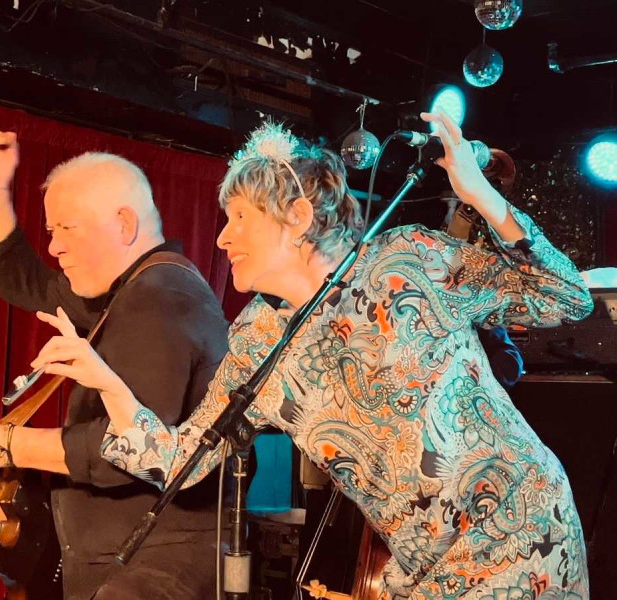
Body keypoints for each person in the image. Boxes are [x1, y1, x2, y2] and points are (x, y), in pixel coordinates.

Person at [31, 114, 593, 598]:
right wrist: (107, 382)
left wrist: (478, 195)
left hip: (519, 534)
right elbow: (181, 460)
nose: (223, 239)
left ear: (297, 217)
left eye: (240, 218)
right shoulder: (259, 338)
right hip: (425, 565)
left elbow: (564, 296)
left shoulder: (404, 263)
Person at [0, 130, 230, 600]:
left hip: (153, 573)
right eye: (51, 232)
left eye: (65, 230)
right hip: (126, 567)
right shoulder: (132, 291)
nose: (53, 248)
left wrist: (3, 445)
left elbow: (125, 452)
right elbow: (26, 284)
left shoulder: (158, 300)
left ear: (123, 223)